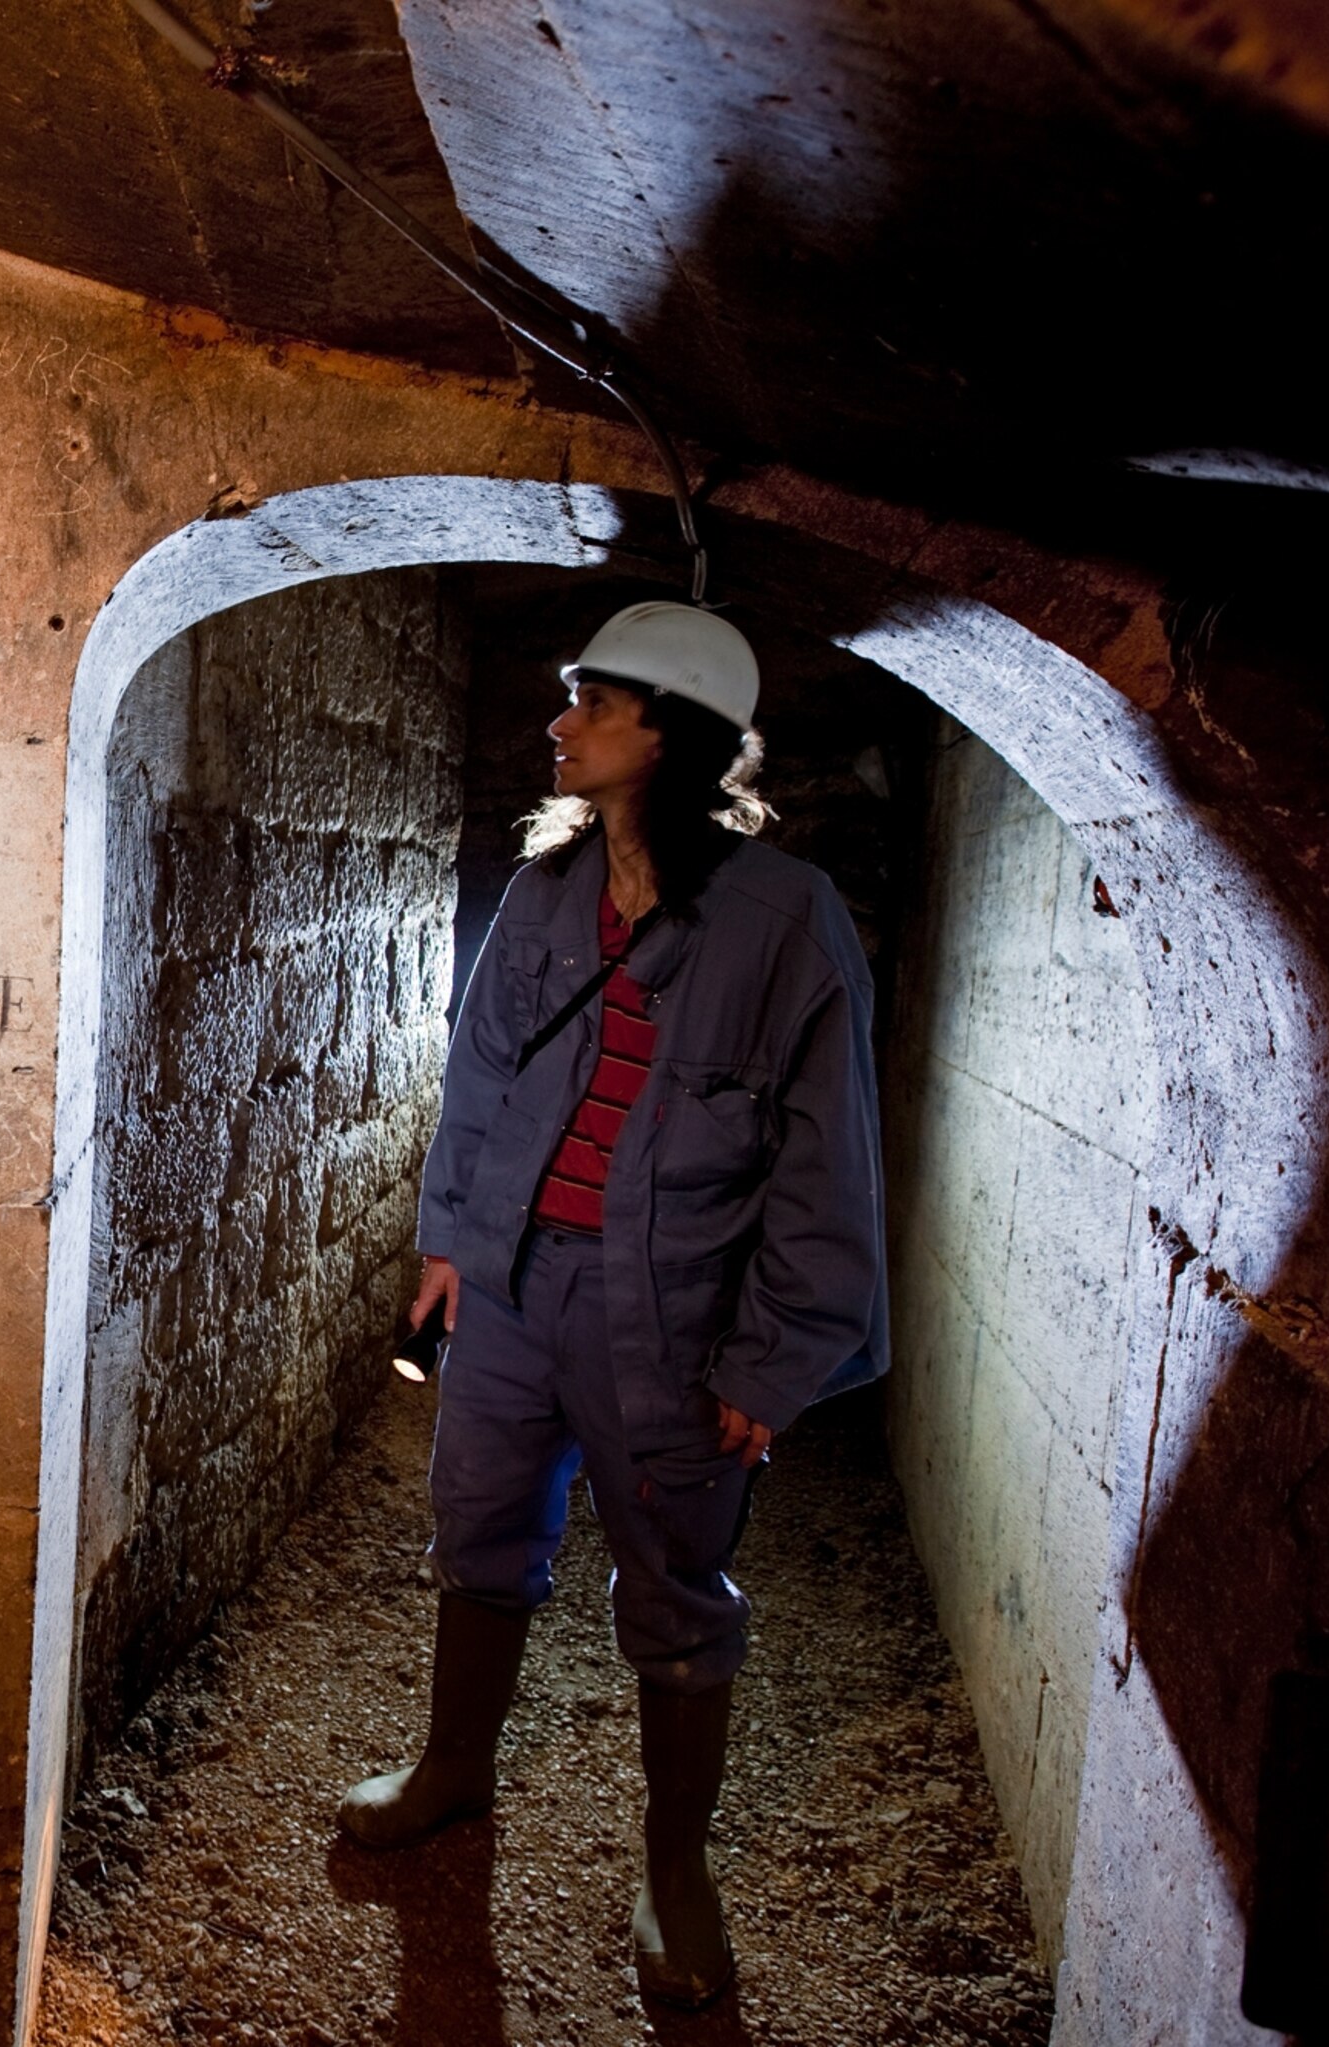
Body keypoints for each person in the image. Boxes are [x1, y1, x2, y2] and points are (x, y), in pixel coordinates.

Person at [337, 601, 889, 2009]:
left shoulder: (789, 924)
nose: (561, 721)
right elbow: (481, 1072)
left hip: (680, 1314)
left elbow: (828, 1163)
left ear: (670, 732)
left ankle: (675, 1868)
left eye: (593, 701)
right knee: (479, 1516)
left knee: (677, 1584)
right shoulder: (546, 892)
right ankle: (456, 1769)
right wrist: (452, 1240)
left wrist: (772, 1364)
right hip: (518, 1287)